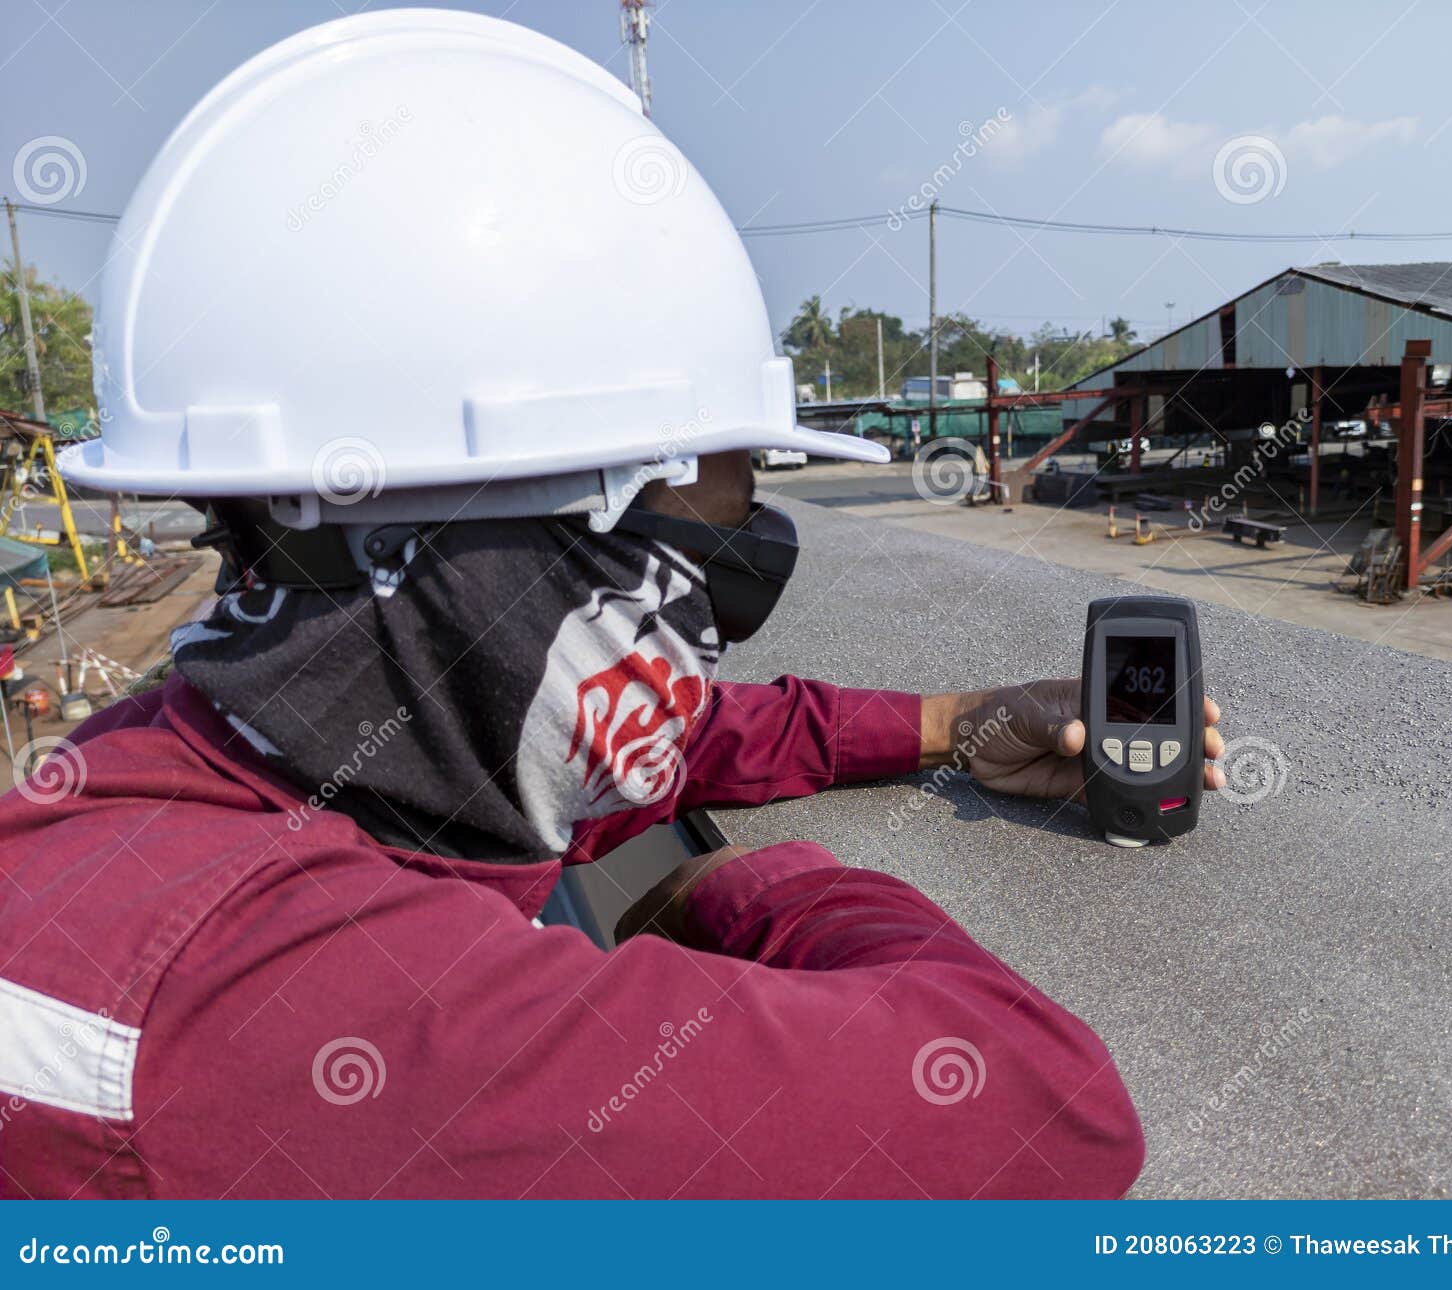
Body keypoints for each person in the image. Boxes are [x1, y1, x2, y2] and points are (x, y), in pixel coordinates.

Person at [0, 12, 1223, 1199]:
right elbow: (1043, 1114)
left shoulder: (266, 745)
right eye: (705, 558)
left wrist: (956, 723)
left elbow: (640, 731)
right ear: (465, 554)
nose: (715, 620)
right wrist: (741, 888)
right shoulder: (255, 996)